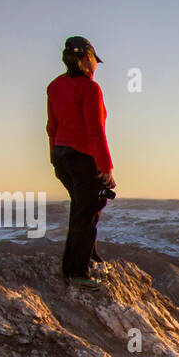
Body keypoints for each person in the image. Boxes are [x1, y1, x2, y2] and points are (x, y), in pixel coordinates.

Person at [46, 36, 115, 289]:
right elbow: (95, 130)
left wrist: (53, 156)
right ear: (86, 59)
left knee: (84, 208)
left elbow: (51, 127)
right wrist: (106, 167)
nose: (95, 65)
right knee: (86, 213)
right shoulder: (90, 89)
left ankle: (84, 257)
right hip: (82, 156)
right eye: (94, 60)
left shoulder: (54, 86)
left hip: (62, 155)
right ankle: (77, 273)